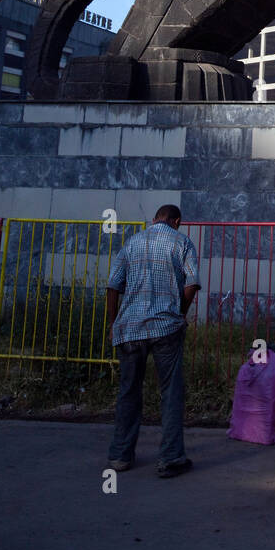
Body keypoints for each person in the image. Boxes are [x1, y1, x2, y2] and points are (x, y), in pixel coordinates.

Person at [106, 204, 200, 477]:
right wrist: (180, 314)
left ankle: (120, 457)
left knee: (128, 391)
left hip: (130, 329)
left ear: (155, 218)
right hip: (165, 328)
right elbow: (191, 283)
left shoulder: (132, 242)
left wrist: (114, 323)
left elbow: (113, 285)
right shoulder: (182, 242)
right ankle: (170, 458)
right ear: (177, 221)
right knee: (170, 393)